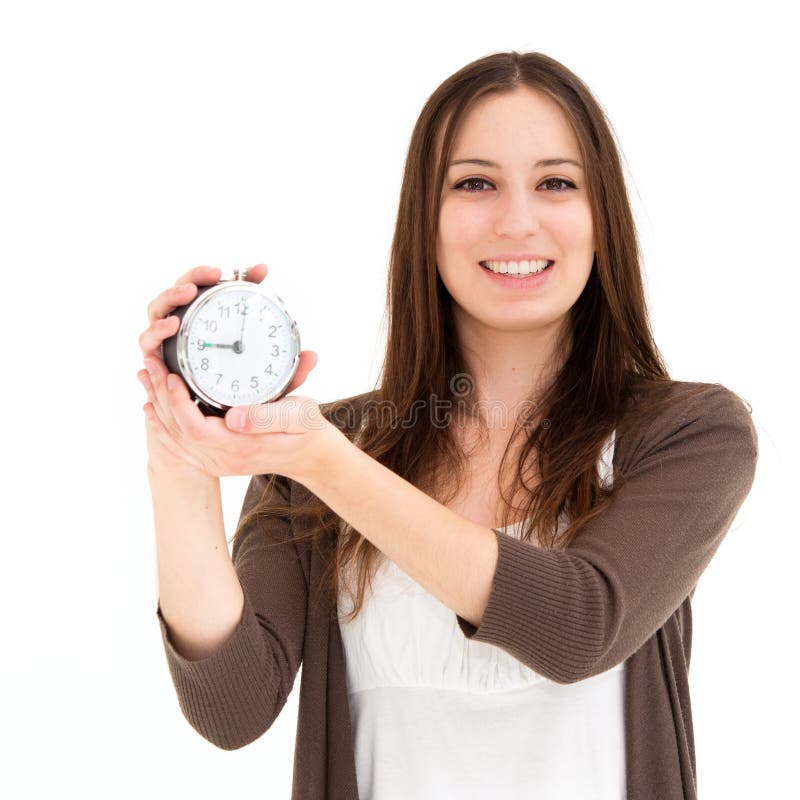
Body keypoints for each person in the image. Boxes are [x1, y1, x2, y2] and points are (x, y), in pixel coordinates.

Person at [138, 51, 758, 800]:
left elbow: (578, 624)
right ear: (423, 220)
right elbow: (230, 707)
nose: (517, 220)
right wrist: (180, 446)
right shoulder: (322, 450)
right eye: (475, 184)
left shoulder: (691, 433)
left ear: (603, 218)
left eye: (556, 183)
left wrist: (324, 463)